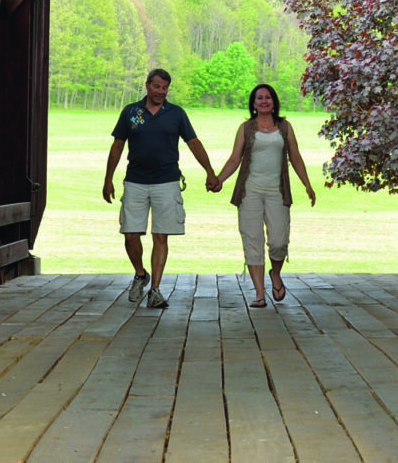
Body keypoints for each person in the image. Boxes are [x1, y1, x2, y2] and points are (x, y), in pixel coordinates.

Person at [103, 68, 216, 310]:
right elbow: (117, 146)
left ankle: (155, 289)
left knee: (161, 235)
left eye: (165, 88)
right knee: (131, 235)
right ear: (147, 86)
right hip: (135, 181)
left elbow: (193, 143)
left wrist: (210, 171)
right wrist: (108, 179)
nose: (161, 92)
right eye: (157, 87)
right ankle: (140, 274)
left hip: (167, 181)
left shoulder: (176, 114)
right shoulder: (132, 112)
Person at [208, 82, 317, 308]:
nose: (264, 101)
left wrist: (307, 184)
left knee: (278, 242)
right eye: (259, 98)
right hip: (250, 192)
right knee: (252, 241)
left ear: (274, 102)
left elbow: (295, 157)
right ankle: (259, 293)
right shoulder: (246, 128)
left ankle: (275, 274)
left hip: (277, 192)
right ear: (254, 103)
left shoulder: (285, 127)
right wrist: (218, 179)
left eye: (268, 97)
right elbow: (235, 159)